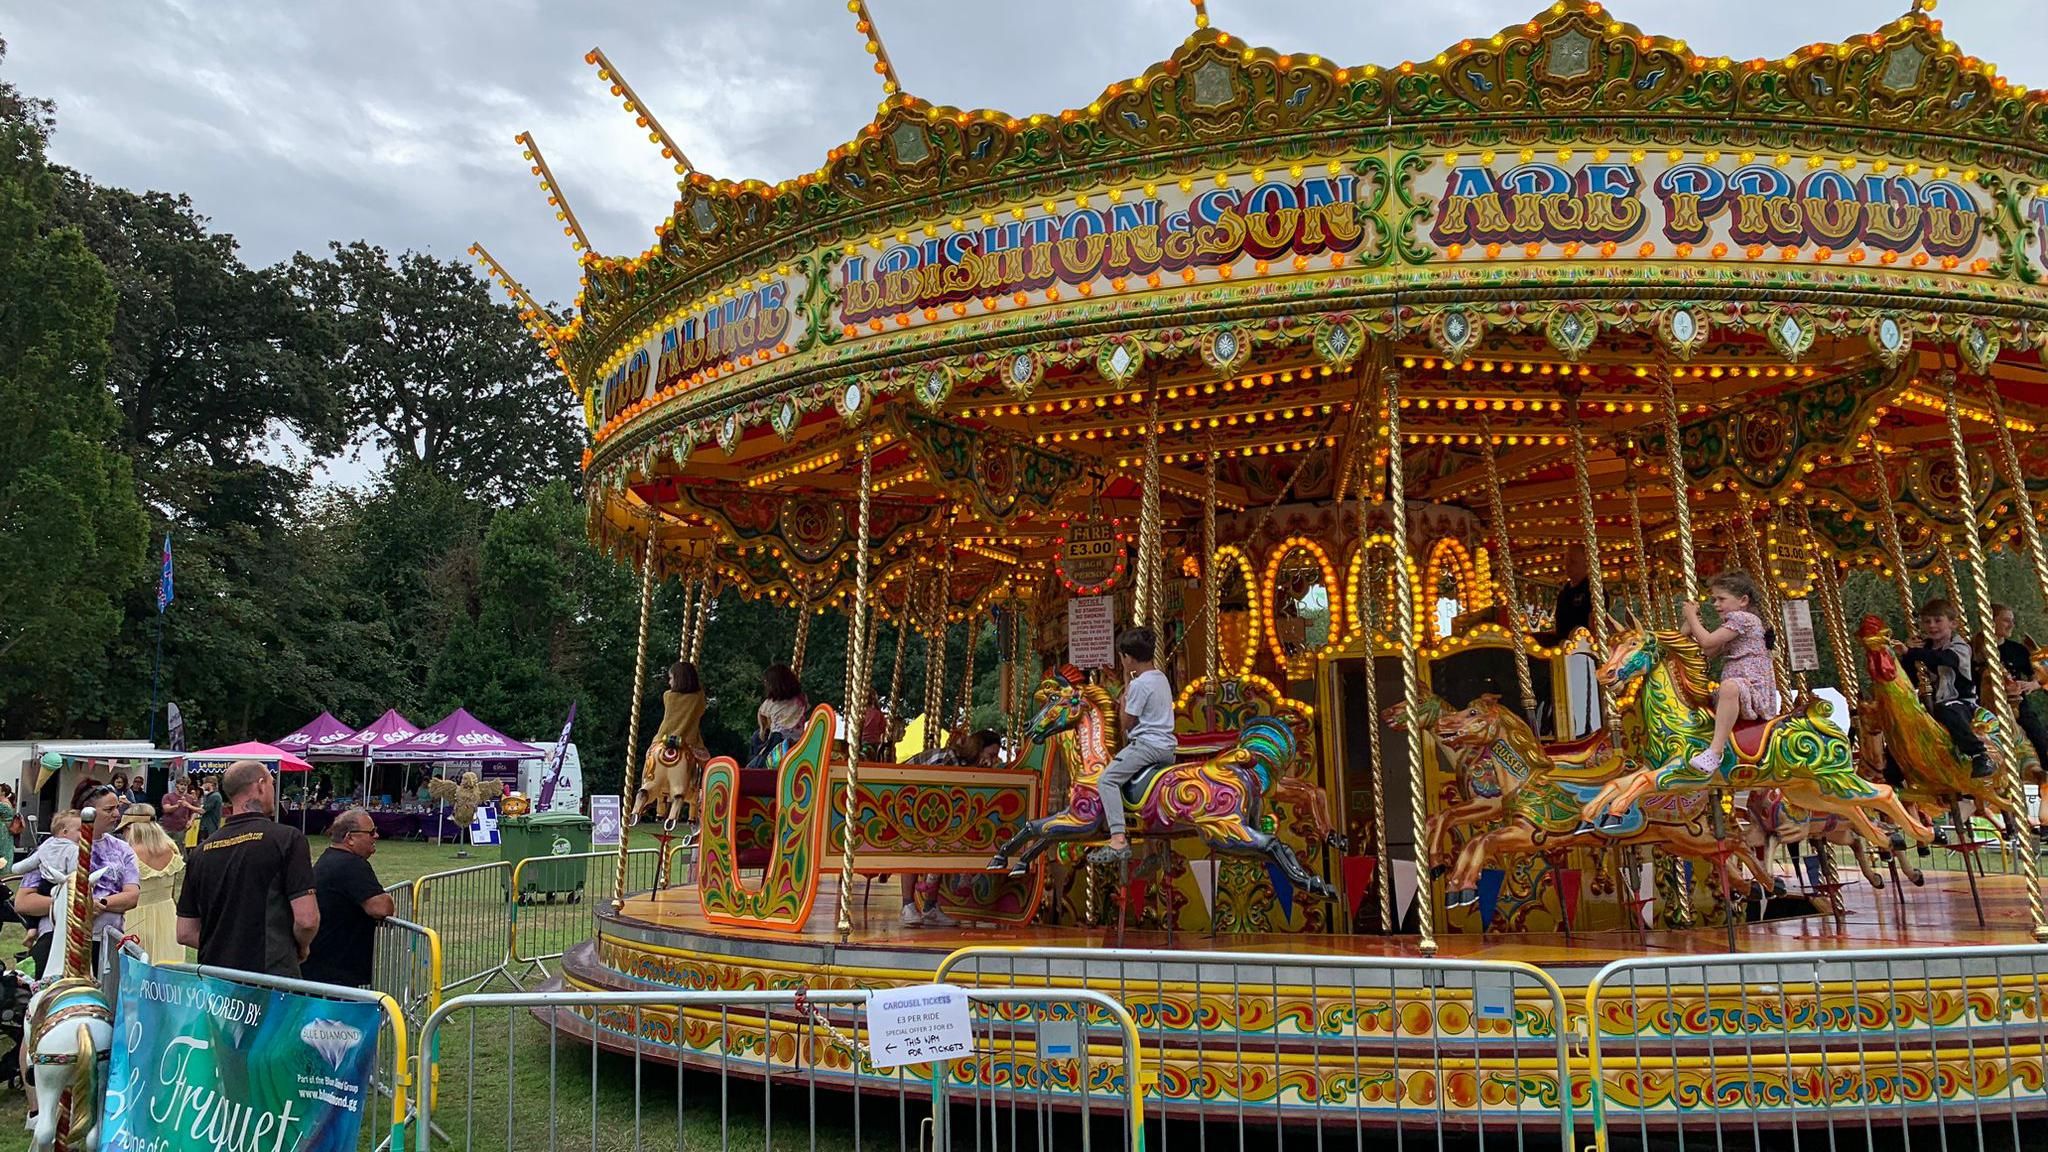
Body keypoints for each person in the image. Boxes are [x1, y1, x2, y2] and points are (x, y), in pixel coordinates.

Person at [175, 759, 319, 976]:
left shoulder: (201, 852)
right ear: (261, 785)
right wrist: (300, 947)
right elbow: (307, 919)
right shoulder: (287, 839)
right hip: (270, 975)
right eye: (272, 784)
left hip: (218, 979)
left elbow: (185, 932)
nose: (273, 791)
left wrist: (227, 948)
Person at [15, 789, 141, 977]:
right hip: (57, 942)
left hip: (105, 942)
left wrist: (99, 904)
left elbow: (131, 896)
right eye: (109, 809)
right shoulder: (53, 848)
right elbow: (23, 902)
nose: (116, 814)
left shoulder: (122, 850)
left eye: (117, 808)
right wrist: (70, 903)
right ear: (87, 812)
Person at [1088, 628, 1178, 865]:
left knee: (1107, 780)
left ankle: (1118, 838)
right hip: (1167, 746)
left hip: (1146, 745)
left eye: (1122, 657)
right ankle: (1150, 849)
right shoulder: (1160, 678)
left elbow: (1126, 724)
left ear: (1127, 657)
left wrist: (1125, 690)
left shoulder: (1140, 685)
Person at [1680, 571, 1779, 774]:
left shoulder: (1744, 619)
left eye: (1721, 599)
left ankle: (1715, 752)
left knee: (1729, 687)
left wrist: (1692, 617)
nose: (1716, 604)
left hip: (1752, 689)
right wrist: (1689, 626)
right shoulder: (1732, 625)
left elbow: (1707, 641)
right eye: (1714, 599)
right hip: (1736, 688)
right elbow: (1708, 651)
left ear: (1743, 600)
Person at [1901, 599, 1996, 779]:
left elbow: (1945, 659)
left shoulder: (1959, 646)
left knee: (1947, 710)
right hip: (1930, 701)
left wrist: (1911, 652)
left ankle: (1979, 754)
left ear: (1953, 623)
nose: (1932, 625)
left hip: (1959, 702)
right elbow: (1911, 677)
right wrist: (1907, 657)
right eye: (1927, 621)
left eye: (1938, 620)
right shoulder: (1923, 648)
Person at [300, 808, 395, 987]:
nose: (376, 836)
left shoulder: (330, 858)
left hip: (322, 965)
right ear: (350, 838)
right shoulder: (351, 865)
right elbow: (381, 907)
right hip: (334, 973)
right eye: (371, 832)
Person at [637, 661, 710, 827]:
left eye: (671, 678)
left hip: (662, 739)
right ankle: (700, 797)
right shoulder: (699, 697)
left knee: (650, 759)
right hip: (689, 743)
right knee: (706, 767)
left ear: (678, 679)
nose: (669, 682)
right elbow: (701, 710)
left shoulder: (667, 696)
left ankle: (645, 790)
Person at [116, 805, 185, 962]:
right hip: (168, 914)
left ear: (131, 828)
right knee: (167, 971)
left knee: (134, 971)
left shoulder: (129, 852)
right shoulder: (171, 848)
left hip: (135, 916)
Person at [1992, 603, 2048, 773]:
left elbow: (2039, 675)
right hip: (1985, 702)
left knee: (2036, 732)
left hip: (2016, 702)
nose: (2011, 625)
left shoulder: (2017, 650)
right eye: (2006, 621)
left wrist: (2032, 684)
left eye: (2012, 621)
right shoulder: (1973, 648)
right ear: (1990, 621)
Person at [750, 664, 808, 768]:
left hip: (779, 739)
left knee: (758, 742)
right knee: (758, 738)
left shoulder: (771, 702)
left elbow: (761, 714)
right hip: (798, 740)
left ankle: (753, 768)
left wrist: (763, 728)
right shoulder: (801, 699)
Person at [159, 777, 200, 847]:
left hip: (181, 828)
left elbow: (195, 811)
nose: (183, 787)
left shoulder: (190, 798)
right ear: (176, 785)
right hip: (167, 827)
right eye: (181, 784)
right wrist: (177, 805)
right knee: (164, 847)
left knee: (179, 848)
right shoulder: (168, 796)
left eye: (185, 785)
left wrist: (191, 821)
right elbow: (166, 809)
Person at [197, 774, 224, 841]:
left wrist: (187, 805)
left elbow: (202, 811)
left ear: (210, 784)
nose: (203, 785)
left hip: (209, 828)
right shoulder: (210, 795)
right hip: (207, 827)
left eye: (205, 783)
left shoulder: (215, 796)